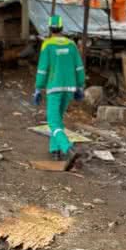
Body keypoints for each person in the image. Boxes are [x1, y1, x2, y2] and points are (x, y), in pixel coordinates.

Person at [32, 16, 85, 161]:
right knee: (58, 119)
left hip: (54, 88)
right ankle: (55, 150)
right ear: (62, 28)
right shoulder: (71, 44)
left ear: (50, 29)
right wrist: (80, 86)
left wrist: (38, 88)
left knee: (53, 122)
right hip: (69, 88)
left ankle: (67, 147)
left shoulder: (47, 45)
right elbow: (79, 67)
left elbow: (43, 69)